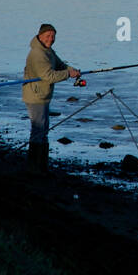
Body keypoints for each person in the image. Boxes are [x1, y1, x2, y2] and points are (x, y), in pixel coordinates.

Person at [22, 23, 80, 170]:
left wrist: (72, 70)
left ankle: (41, 165)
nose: (51, 38)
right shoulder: (38, 54)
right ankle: (34, 166)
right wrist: (68, 74)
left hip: (43, 96)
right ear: (40, 36)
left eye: (53, 36)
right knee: (38, 130)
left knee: (43, 131)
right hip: (35, 97)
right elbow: (48, 76)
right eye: (48, 36)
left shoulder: (48, 51)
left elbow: (60, 65)